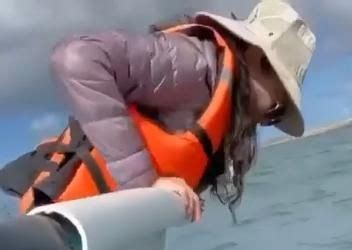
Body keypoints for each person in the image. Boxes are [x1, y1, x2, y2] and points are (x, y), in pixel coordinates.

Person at [0, 0, 316, 222]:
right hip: (54, 217)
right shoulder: (191, 64)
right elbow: (75, 58)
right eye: (275, 110)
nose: (264, 120)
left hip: (95, 223)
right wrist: (145, 184)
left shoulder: (218, 99)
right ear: (259, 59)